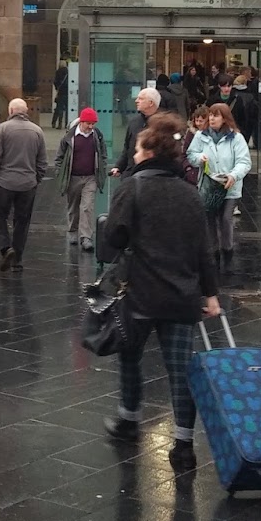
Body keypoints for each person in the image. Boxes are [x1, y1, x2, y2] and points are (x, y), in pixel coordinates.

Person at [100, 113, 220, 472]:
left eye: (138, 150)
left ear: (150, 153)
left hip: (139, 294)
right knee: (181, 371)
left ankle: (129, 419)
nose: (134, 155)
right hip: (181, 295)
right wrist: (210, 294)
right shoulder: (189, 194)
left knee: (129, 356)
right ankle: (183, 444)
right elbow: (204, 250)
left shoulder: (132, 188)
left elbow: (114, 237)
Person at [185, 101, 252, 268]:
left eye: (216, 116)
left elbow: (244, 161)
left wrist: (233, 175)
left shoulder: (236, 138)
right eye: (211, 115)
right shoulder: (201, 136)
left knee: (225, 219)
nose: (212, 119)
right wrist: (199, 158)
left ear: (225, 118)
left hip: (229, 187)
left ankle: (227, 249)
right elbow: (191, 154)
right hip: (208, 186)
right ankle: (213, 252)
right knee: (209, 219)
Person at [0, 97, 48, 271]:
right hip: (27, 184)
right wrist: (36, 179)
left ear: (11, 111)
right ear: (26, 111)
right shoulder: (37, 131)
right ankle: (17, 260)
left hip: (3, 183)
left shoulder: (2, 129)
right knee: (22, 221)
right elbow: (42, 161)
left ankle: (6, 247)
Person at [54, 106, 108, 250]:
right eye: (88, 123)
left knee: (87, 207)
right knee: (73, 207)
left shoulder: (97, 135)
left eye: (93, 124)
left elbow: (103, 154)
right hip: (73, 177)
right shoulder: (69, 137)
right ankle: (73, 230)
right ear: (81, 122)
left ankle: (86, 237)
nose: (91, 126)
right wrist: (59, 173)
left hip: (90, 177)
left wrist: (102, 168)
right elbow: (59, 157)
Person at [109, 86, 160, 177]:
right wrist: (119, 166)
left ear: (151, 103)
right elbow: (127, 148)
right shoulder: (134, 122)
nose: (136, 101)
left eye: (141, 98)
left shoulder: (162, 124)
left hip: (152, 176)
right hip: (131, 174)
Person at [182, 104, 209, 186]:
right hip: (193, 172)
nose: (198, 123)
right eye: (197, 120)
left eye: (201, 121)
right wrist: (188, 168)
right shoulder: (191, 133)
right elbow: (184, 153)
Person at [51, 61, 69, 130]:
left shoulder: (58, 72)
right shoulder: (68, 71)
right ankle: (67, 124)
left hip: (61, 92)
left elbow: (55, 82)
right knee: (67, 109)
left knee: (59, 108)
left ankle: (59, 124)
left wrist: (57, 88)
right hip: (68, 93)